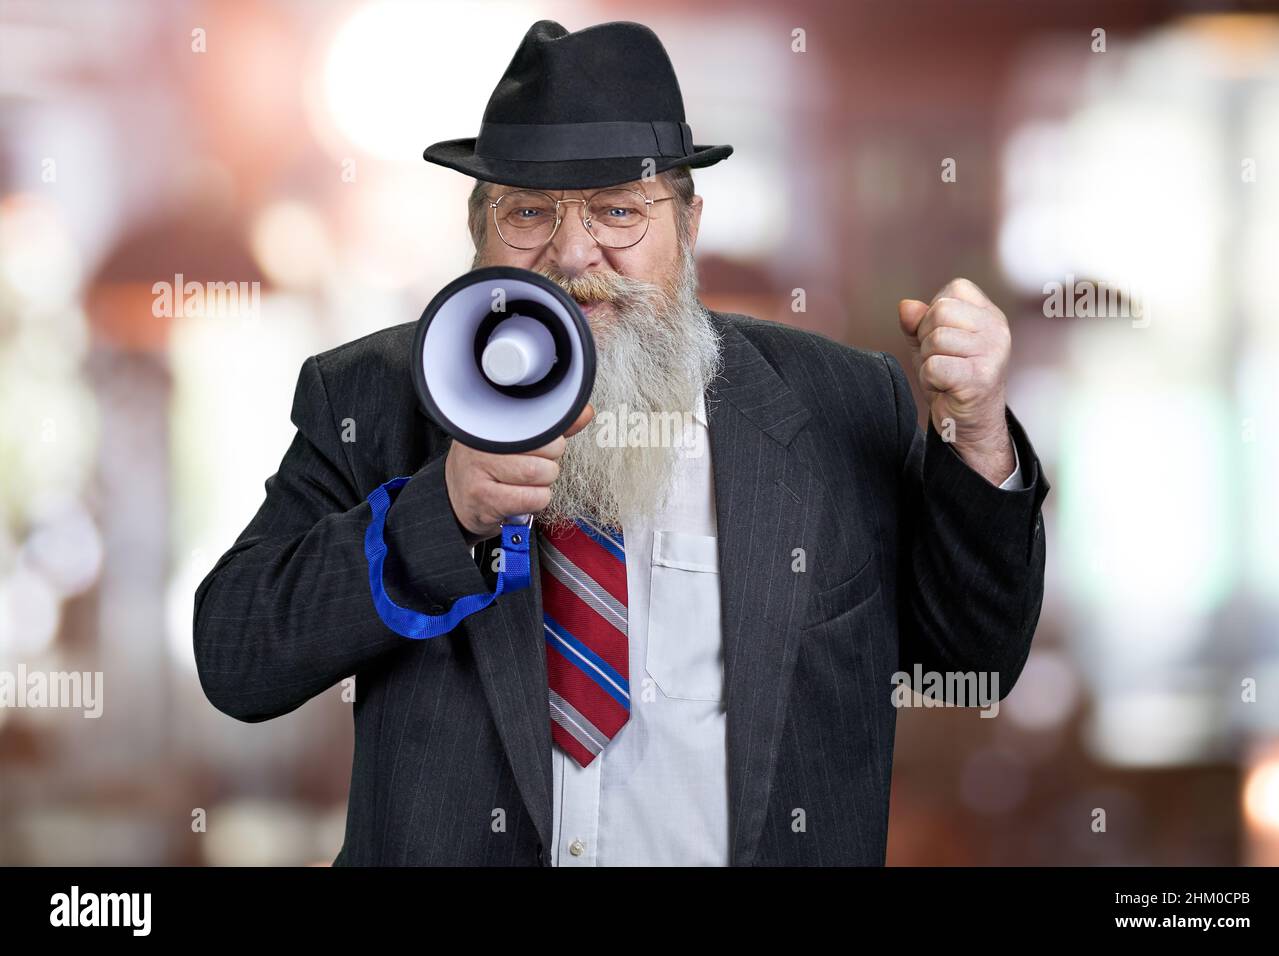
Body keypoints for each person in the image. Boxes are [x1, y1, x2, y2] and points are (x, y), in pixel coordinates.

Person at [193, 19, 1049, 866]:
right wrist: (441, 515)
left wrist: (973, 432)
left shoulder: (838, 403)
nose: (574, 253)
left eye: (618, 211)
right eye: (528, 210)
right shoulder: (372, 397)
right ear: (477, 231)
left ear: (688, 222)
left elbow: (971, 662)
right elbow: (236, 658)